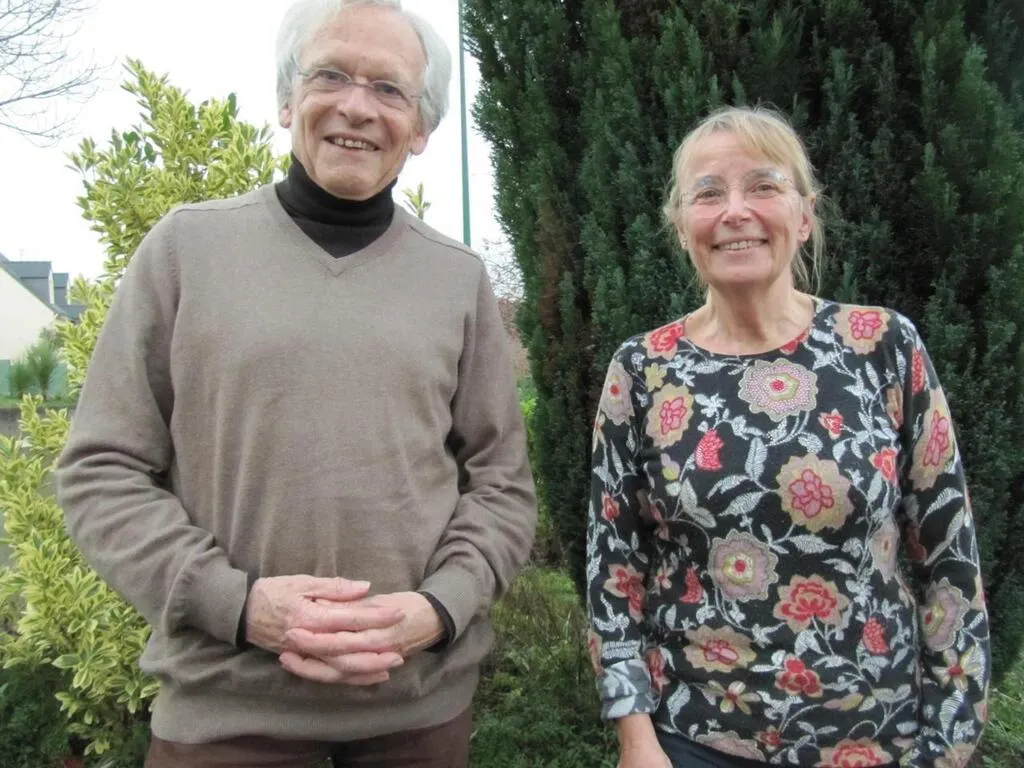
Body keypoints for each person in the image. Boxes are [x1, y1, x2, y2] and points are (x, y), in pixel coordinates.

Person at [56, 1, 536, 766]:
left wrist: (437, 610)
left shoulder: (457, 279)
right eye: (331, 75)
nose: (356, 105)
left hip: (416, 715)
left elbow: (502, 485)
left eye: (389, 88)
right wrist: (238, 606)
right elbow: (101, 469)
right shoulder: (186, 249)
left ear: (421, 129)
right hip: (225, 714)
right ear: (287, 100)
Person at [586, 105, 989, 768]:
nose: (735, 211)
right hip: (695, 738)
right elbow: (614, 568)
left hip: (877, 736)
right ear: (682, 225)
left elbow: (951, 565)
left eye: (763, 187)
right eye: (708, 194)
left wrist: (950, 743)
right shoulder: (643, 368)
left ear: (803, 217)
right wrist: (636, 737)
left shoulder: (882, 346)